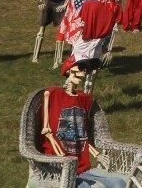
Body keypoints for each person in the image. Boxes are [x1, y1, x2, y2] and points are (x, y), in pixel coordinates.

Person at [38, 57, 128, 188]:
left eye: (86, 69)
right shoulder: (52, 93)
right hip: (59, 167)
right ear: (69, 70)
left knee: (119, 183)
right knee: (84, 186)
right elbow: (46, 130)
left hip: (83, 168)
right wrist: (61, 157)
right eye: (80, 68)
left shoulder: (84, 99)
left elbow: (81, 135)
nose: (84, 72)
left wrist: (96, 154)